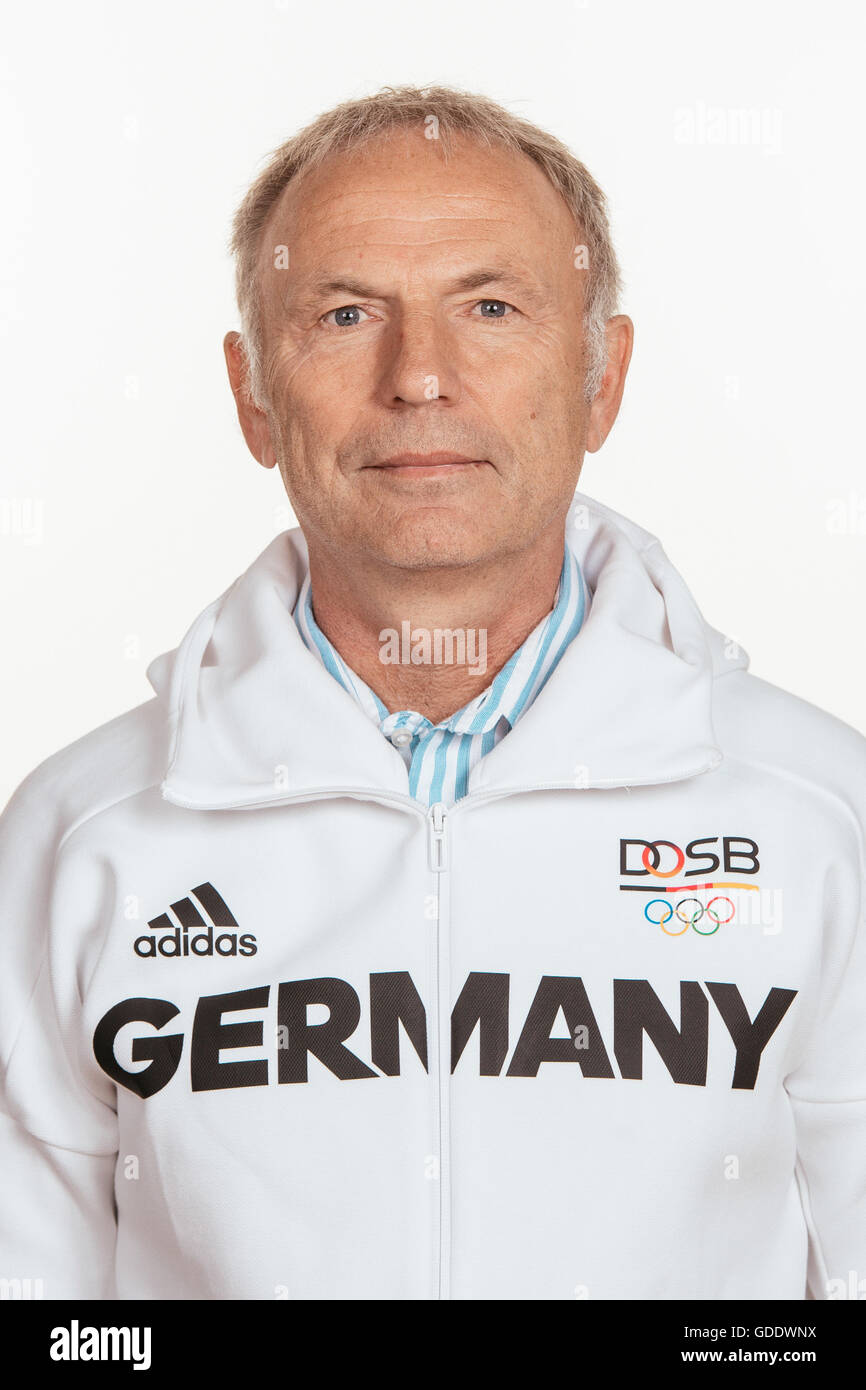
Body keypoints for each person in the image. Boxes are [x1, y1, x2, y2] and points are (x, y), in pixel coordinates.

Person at [1, 84, 864, 1302]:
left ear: (598, 377)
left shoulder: (818, 816)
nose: (419, 378)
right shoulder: (78, 835)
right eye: (345, 312)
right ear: (252, 394)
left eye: (492, 308)